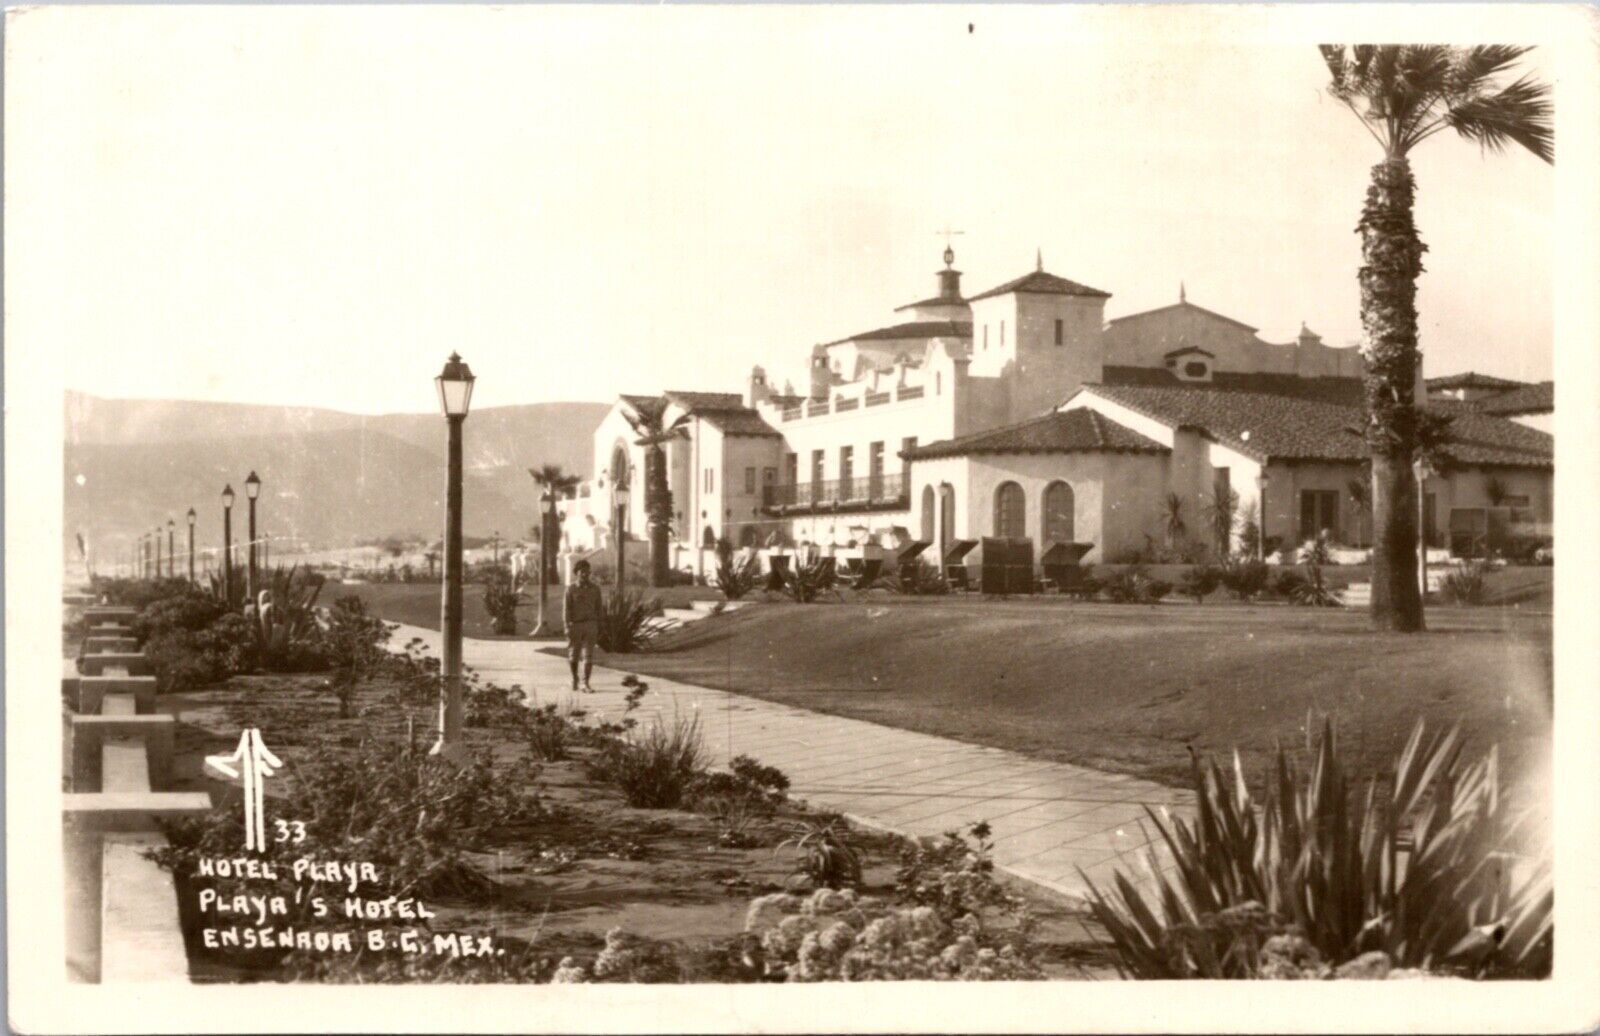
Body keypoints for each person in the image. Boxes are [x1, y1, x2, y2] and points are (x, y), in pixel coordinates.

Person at [563, 559, 604, 692]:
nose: (585, 574)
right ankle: (574, 678)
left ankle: (585, 682)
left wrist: (600, 625)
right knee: (573, 654)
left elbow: (599, 608)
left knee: (588, 654)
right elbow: (566, 609)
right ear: (577, 573)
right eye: (582, 572)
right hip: (575, 625)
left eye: (587, 572)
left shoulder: (595, 589)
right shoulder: (571, 589)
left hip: (591, 624)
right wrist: (566, 626)